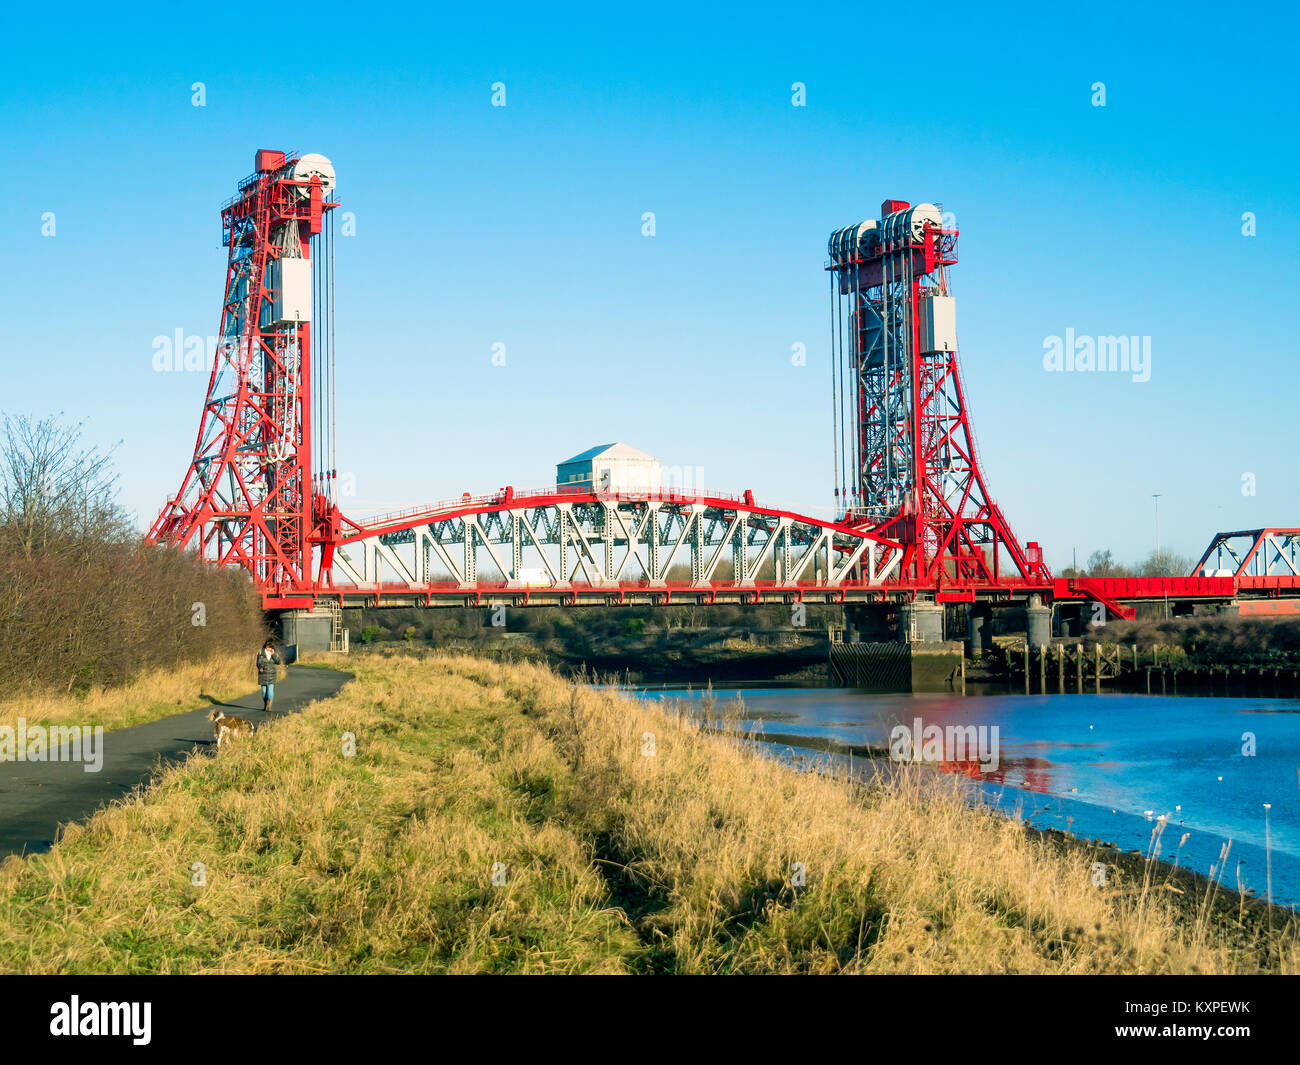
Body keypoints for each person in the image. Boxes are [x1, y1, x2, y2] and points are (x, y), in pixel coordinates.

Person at [257, 639, 284, 713]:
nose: (268, 648)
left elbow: (278, 662)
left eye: (270, 647)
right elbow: (258, 662)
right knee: (263, 692)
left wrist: (274, 654)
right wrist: (260, 667)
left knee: (270, 692)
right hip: (263, 675)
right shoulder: (260, 653)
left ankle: (269, 707)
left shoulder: (274, 653)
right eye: (267, 647)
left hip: (272, 675)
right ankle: (266, 704)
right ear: (265, 646)